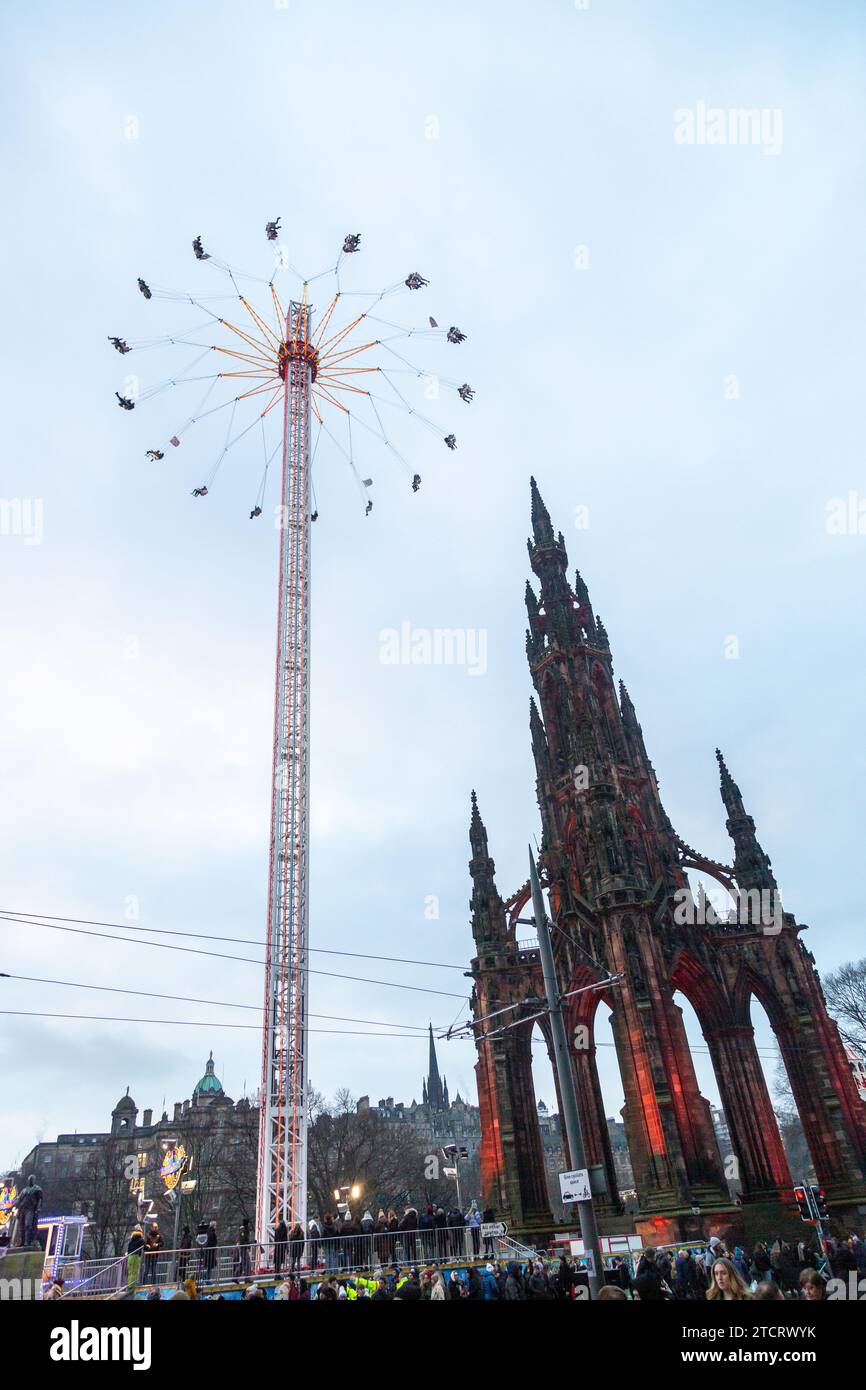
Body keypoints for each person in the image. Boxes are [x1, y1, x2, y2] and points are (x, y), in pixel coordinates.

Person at [127, 1224, 145, 1292]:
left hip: (130, 1256)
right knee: (134, 1271)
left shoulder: (132, 1238)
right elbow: (145, 1246)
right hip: (136, 1256)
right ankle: (132, 1285)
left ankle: (129, 1285)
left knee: (130, 1271)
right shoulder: (140, 1239)